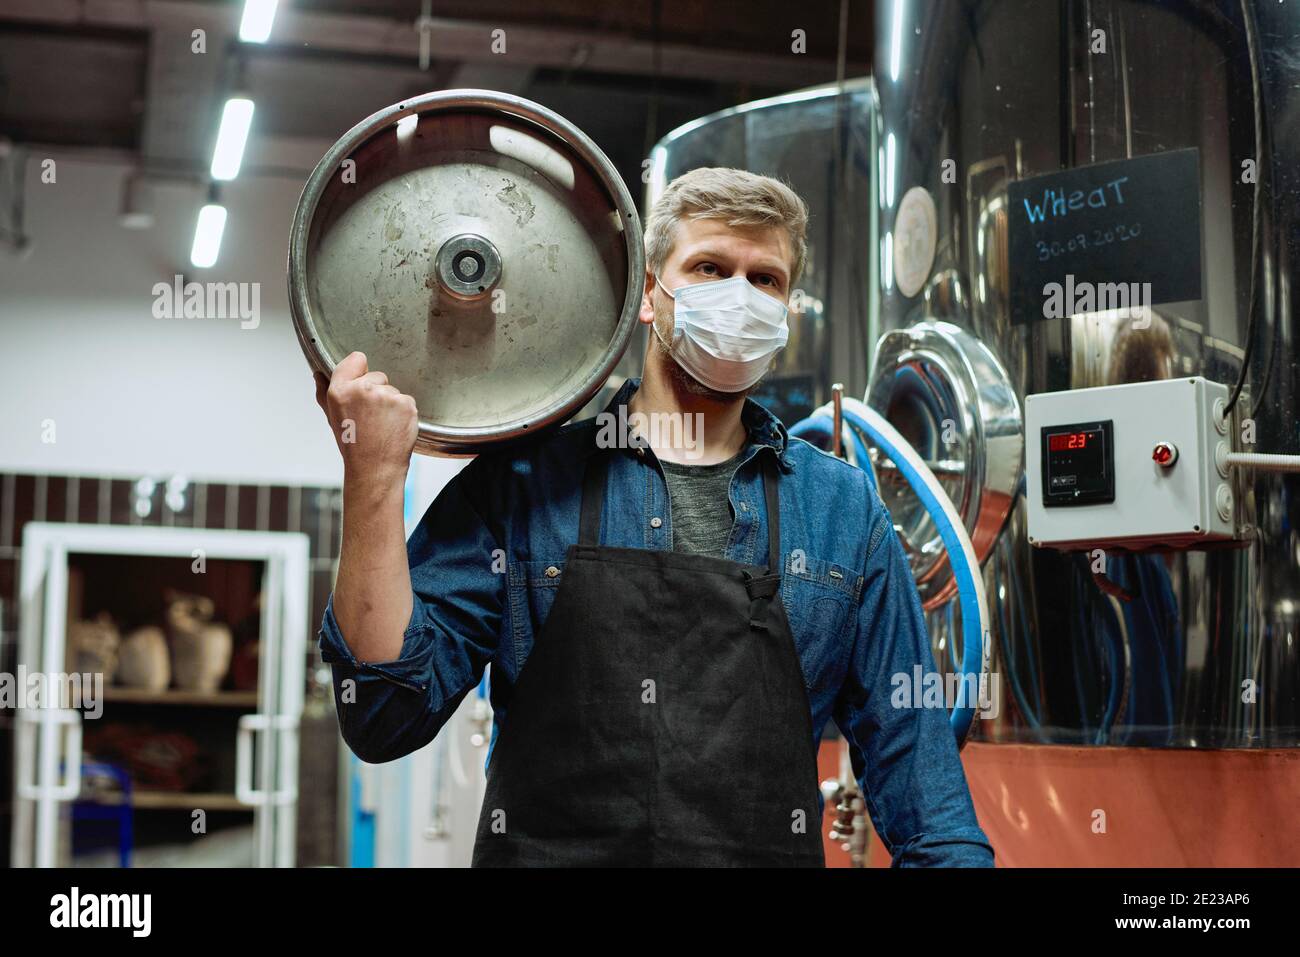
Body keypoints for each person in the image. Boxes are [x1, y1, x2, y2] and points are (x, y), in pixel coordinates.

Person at [313, 166, 993, 867]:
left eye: (766, 280)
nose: (740, 297)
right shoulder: (526, 485)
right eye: (709, 267)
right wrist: (374, 475)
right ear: (647, 293)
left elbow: (931, 813)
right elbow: (382, 712)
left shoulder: (842, 512)